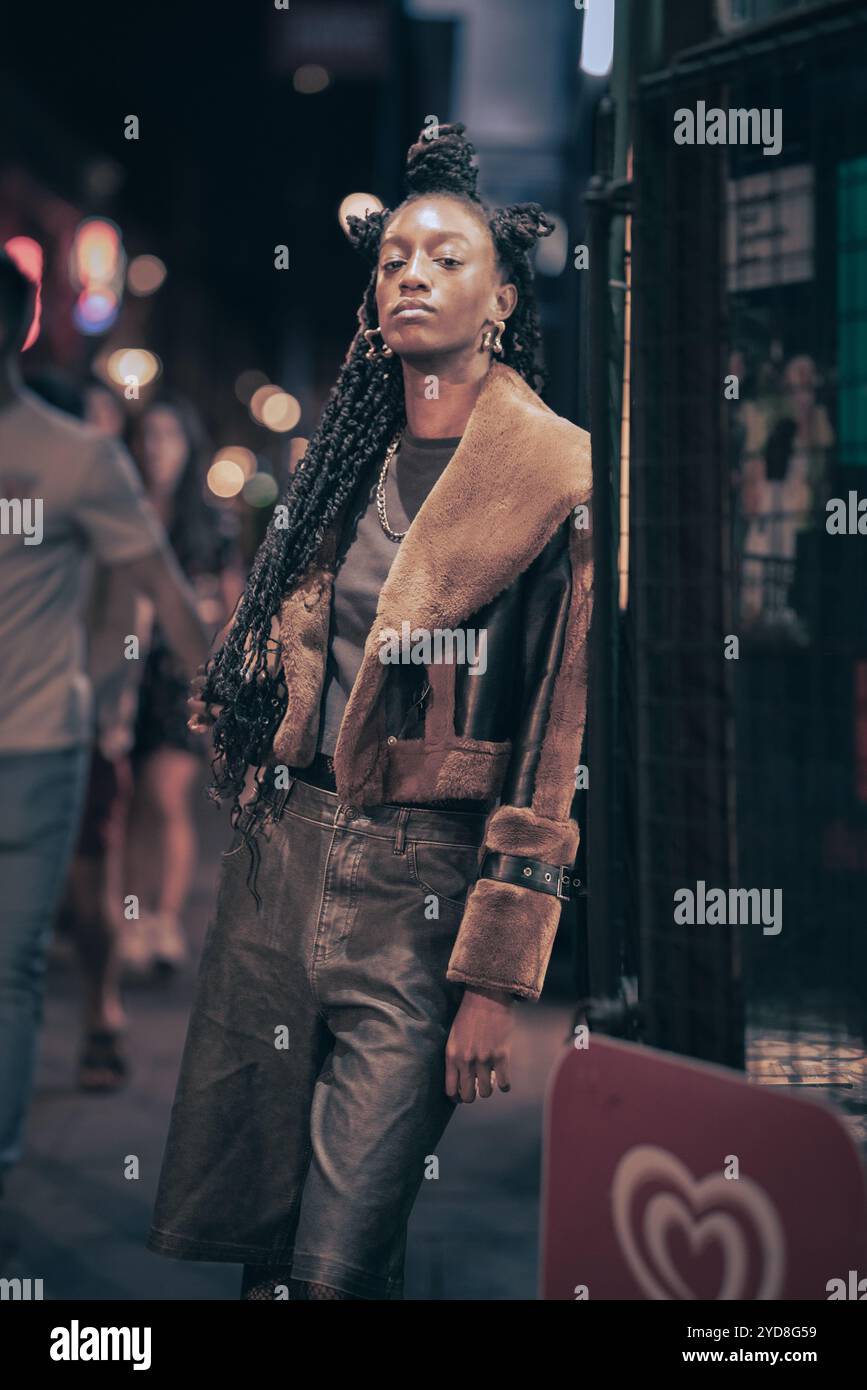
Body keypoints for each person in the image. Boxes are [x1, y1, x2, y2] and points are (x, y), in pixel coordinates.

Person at [145, 123, 594, 1301]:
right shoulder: (346, 455)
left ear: (499, 297)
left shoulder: (555, 482)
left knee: (341, 1255)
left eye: (446, 258)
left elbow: (553, 752)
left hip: (423, 889)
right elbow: (292, 650)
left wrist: (494, 977)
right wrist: (248, 735)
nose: (411, 273)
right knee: (263, 1245)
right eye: (394, 256)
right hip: (280, 862)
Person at [0, 250, 210, 1192]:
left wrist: (223, 714)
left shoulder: (81, 458)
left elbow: (164, 592)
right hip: (47, 742)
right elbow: (166, 593)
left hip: (43, 746)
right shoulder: (80, 457)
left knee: (16, 970)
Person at [123, 396, 244, 976]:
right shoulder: (121, 512)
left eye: (168, 437)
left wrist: (222, 676)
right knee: (129, 800)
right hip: (122, 673)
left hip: (180, 673)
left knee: (165, 795)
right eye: (147, 437)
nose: (156, 449)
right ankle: (134, 915)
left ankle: (164, 919)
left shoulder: (209, 523)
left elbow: (232, 605)